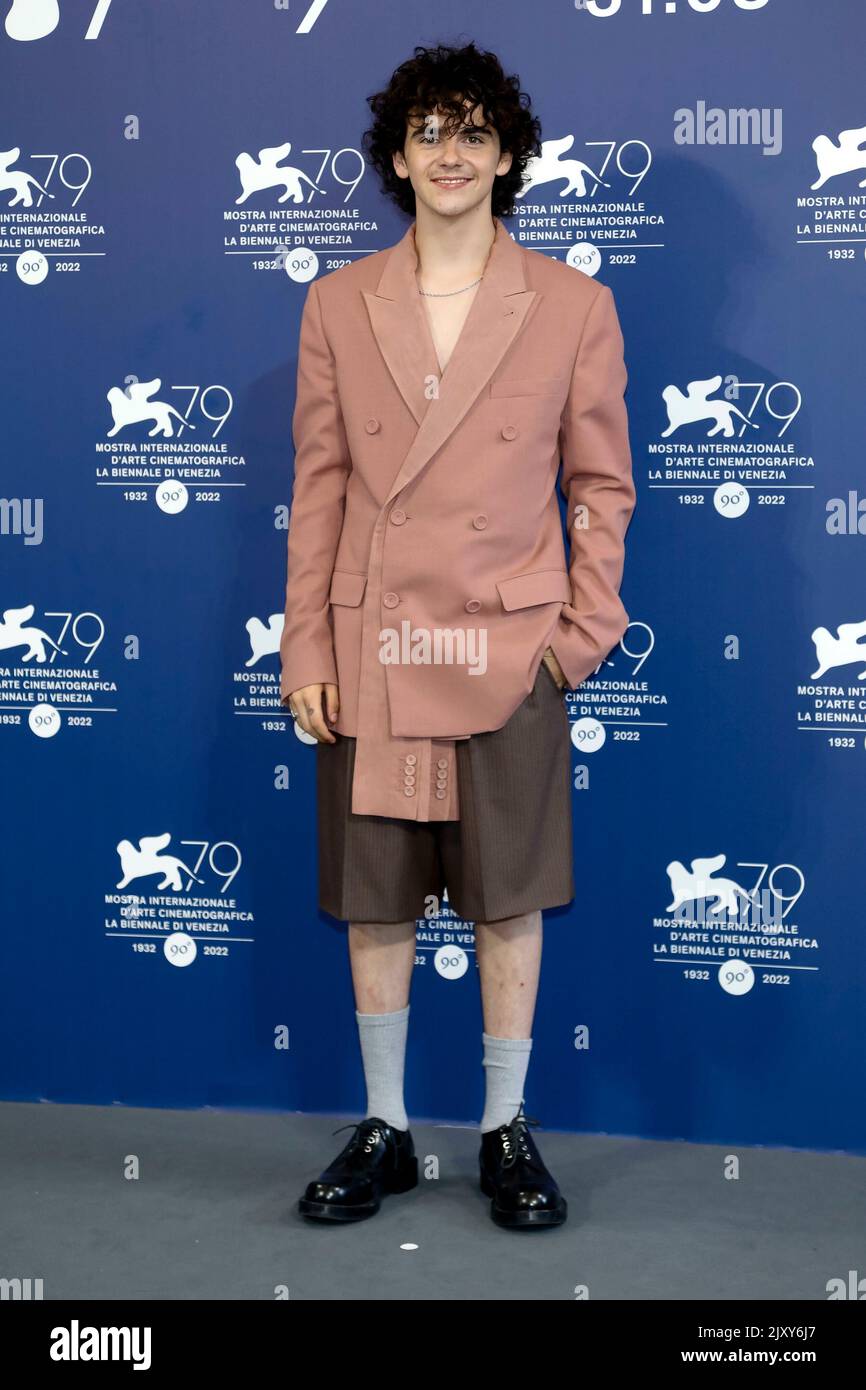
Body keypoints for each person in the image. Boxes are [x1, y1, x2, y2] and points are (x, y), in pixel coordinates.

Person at [279, 40, 636, 1229]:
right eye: (430, 130)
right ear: (396, 155)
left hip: (504, 648)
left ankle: (501, 1131)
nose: (451, 151)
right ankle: (383, 1128)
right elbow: (319, 487)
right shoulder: (335, 302)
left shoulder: (574, 306)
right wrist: (306, 650)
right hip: (373, 649)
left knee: (506, 897)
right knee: (375, 896)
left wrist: (574, 637)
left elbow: (601, 484)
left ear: (505, 157)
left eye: (474, 132)